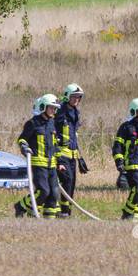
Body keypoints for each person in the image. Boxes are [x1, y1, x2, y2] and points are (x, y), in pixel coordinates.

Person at [15, 94, 62, 218]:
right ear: (43, 107)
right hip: (38, 164)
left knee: (54, 193)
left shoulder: (52, 123)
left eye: (55, 108)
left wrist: (60, 162)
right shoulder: (33, 123)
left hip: (51, 164)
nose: (54, 110)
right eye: (51, 107)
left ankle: (48, 221)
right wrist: (24, 147)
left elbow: (54, 144)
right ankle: (21, 205)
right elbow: (22, 140)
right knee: (43, 191)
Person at [55, 83, 88, 217]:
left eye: (79, 98)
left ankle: (66, 212)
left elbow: (73, 136)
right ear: (67, 97)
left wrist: (79, 157)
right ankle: (63, 212)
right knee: (66, 182)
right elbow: (53, 135)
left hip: (73, 155)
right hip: (61, 155)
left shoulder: (75, 113)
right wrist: (57, 159)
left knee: (71, 184)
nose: (76, 100)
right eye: (74, 97)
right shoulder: (59, 113)